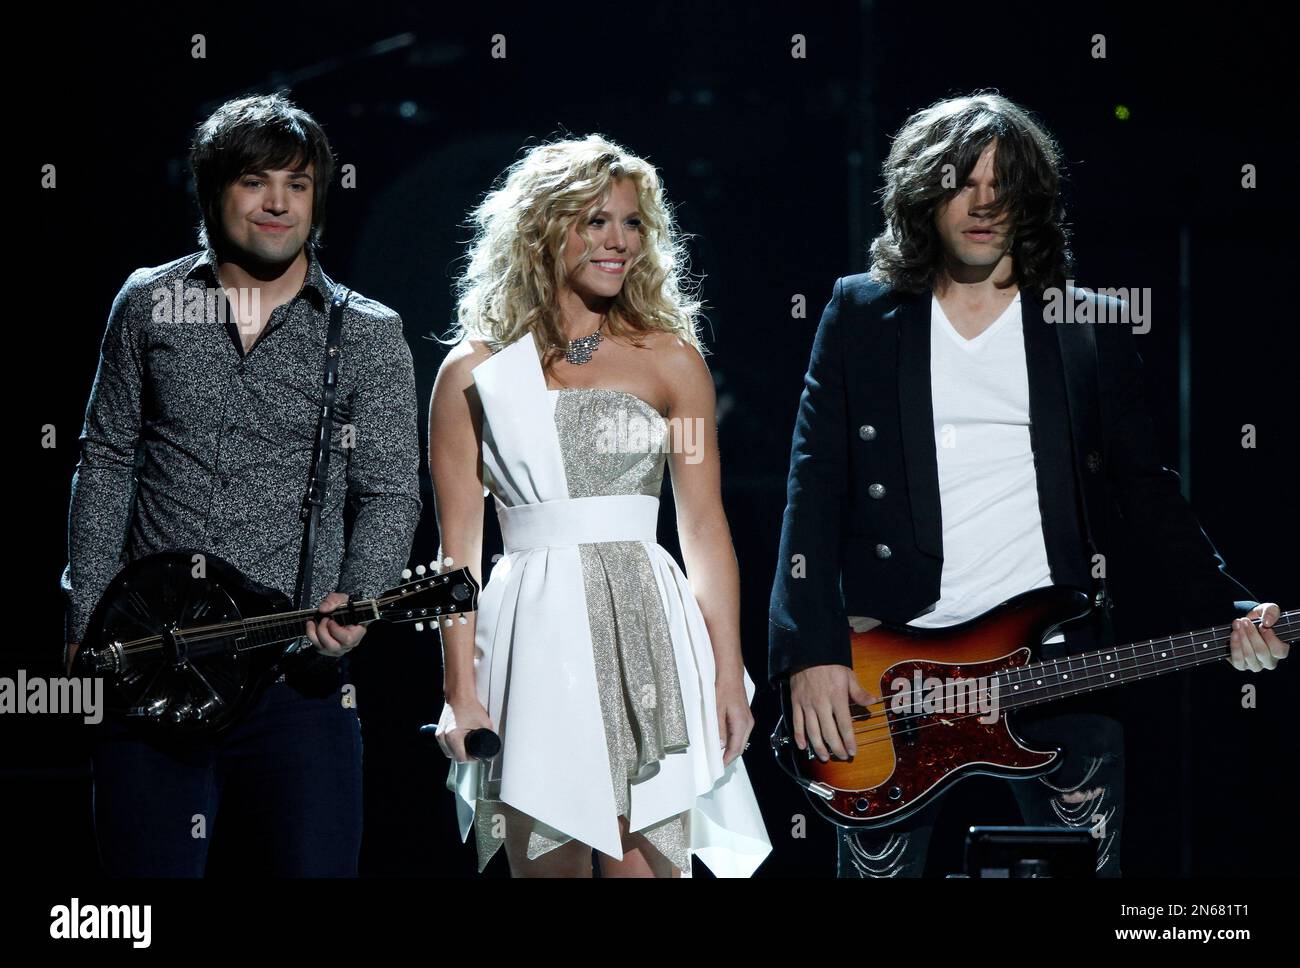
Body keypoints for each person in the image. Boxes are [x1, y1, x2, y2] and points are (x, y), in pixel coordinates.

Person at [767, 92, 1289, 877]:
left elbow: (1148, 493)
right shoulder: (860, 315)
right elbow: (813, 487)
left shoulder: (1087, 326)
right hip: (893, 677)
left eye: (1004, 183)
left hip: (1055, 668)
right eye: (962, 180)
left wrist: (1235, 613)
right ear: (922, 193)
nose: (985, 203)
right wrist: (806, 652)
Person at [60, 93, 422, 876]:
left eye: (297, 183)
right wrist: (88, 621)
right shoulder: (150, 302)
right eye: (256, 181)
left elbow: (390, 491)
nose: (278, 203)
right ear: (213, 191)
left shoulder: (366, 332)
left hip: (296, 682)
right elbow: (106, 460)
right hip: (155, 663)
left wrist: (355, 603)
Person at [429, 135, 772, 877]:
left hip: (648, 632)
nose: (618, 240)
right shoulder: (474, 371)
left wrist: (726, 673)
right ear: (542, 228)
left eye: (632, 222)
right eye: (595, 221)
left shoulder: (670, 360)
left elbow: (706, 528)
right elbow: (456, 551)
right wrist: (460, 692)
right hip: (533, 634)